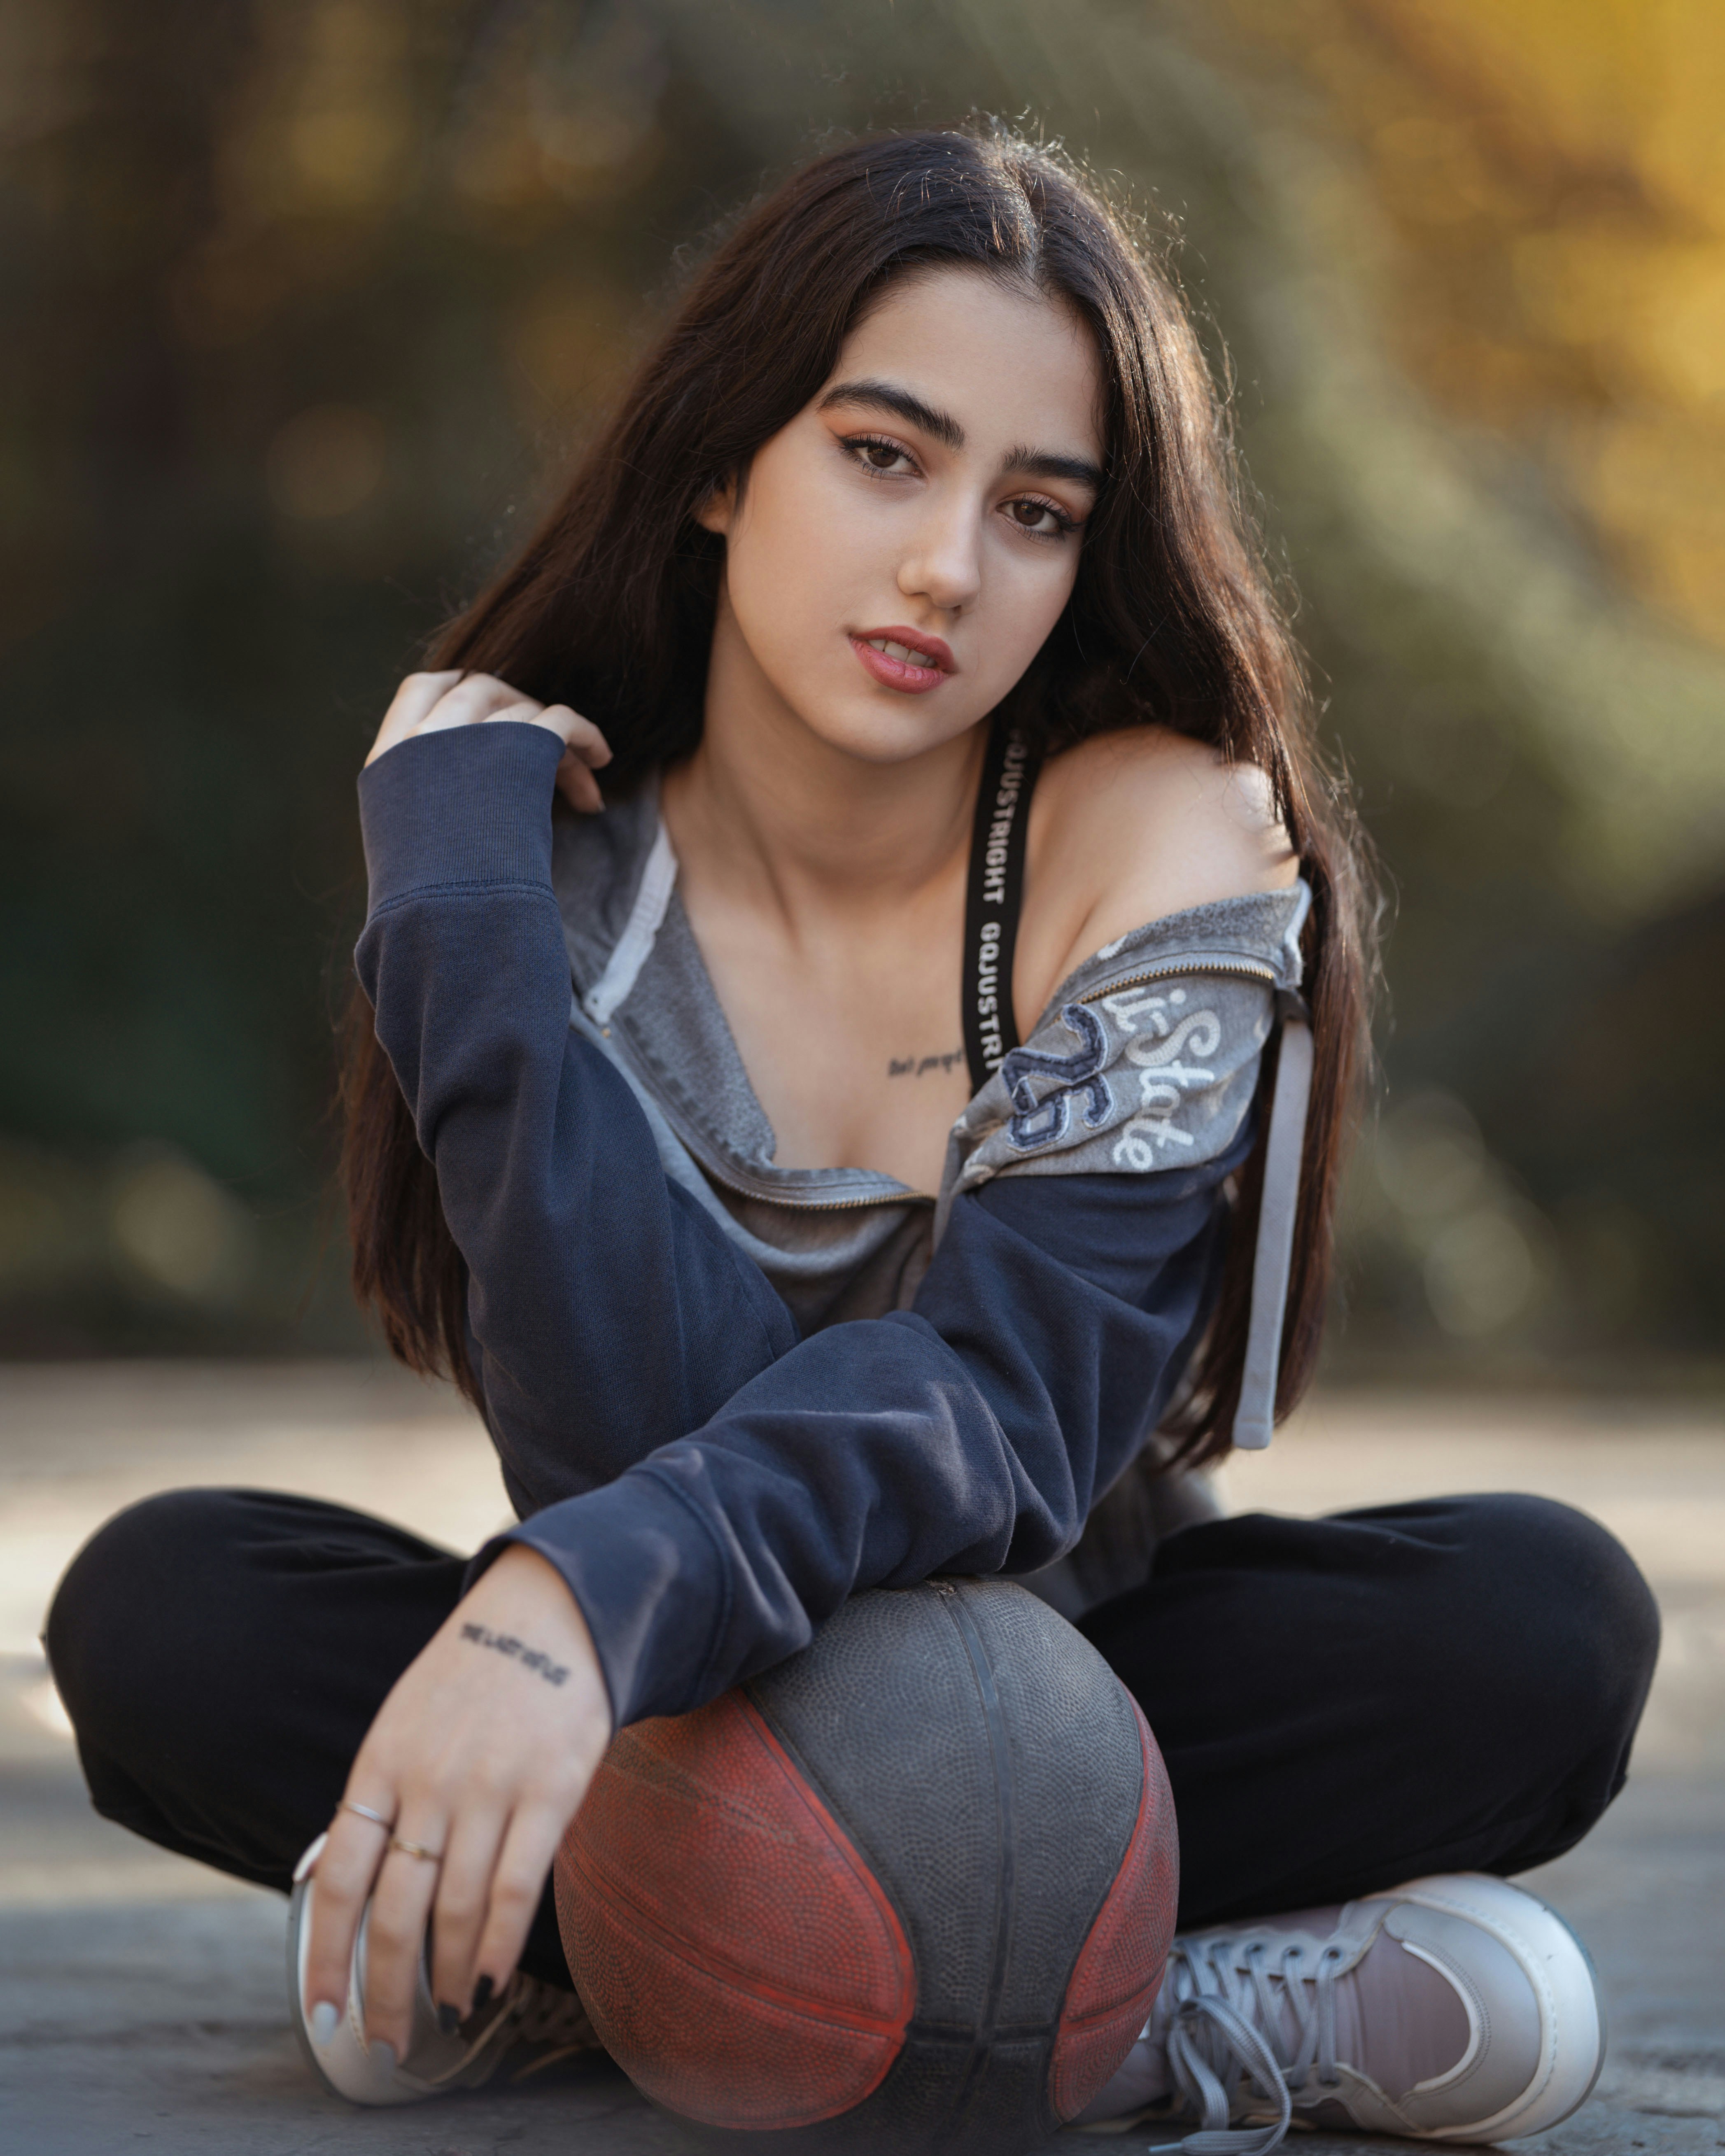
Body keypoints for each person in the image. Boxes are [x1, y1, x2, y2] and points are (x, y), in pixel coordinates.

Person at [46, 128, 1657, 2148]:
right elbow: (615, 1431)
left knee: (1538, 1627)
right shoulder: (544, 879)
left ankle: (623, 1971)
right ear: (723, 461)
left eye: (1037, 508)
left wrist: (562, 1604)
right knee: (166, 1612)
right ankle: (1135, 2008)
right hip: (671, 1712)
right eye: (881, 455)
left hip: (1073, 1675)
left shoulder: (1151, 837)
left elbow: (1006, 1417)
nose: (945, 569)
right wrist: (455, 904)